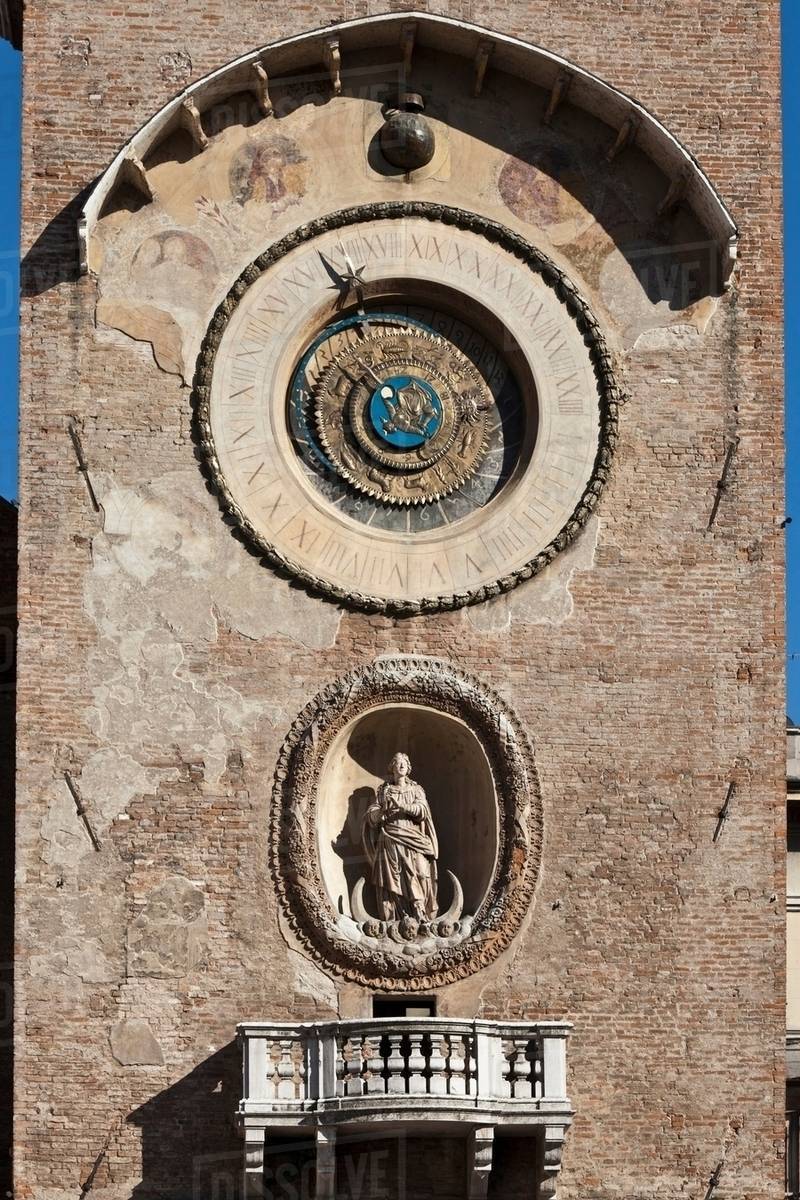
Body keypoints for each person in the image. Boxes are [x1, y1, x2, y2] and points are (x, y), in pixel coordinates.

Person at [362, 752, 438, 921]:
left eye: (404, 762)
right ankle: (397, 916)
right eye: (397, 762)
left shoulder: (416, 790)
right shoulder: (384, 791)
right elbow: (372, 816)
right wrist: (382, 811)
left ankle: (420, 911)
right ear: (392, 768)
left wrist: (403, 807)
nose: (401, 765)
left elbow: (422, 810)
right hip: (390, 838)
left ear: (408, 767)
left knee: (420, 872)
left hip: (414, 838)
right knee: (393, 879)